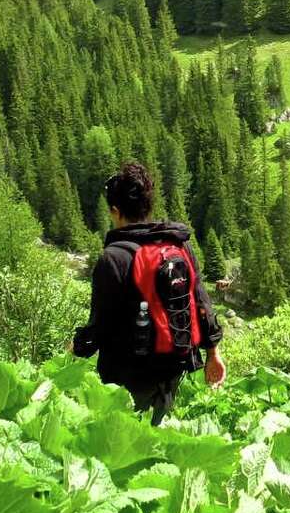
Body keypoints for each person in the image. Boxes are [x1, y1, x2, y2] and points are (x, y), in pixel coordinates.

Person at [73, 162, 224, 422]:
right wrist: (213, 354)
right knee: (160, 434)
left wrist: (75, 350)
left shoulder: (113, 258)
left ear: (115, 211)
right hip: (173, 369)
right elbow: (201, 302)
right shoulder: (178, 246)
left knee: (129, 445)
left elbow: (99, 326)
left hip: (128, 376)